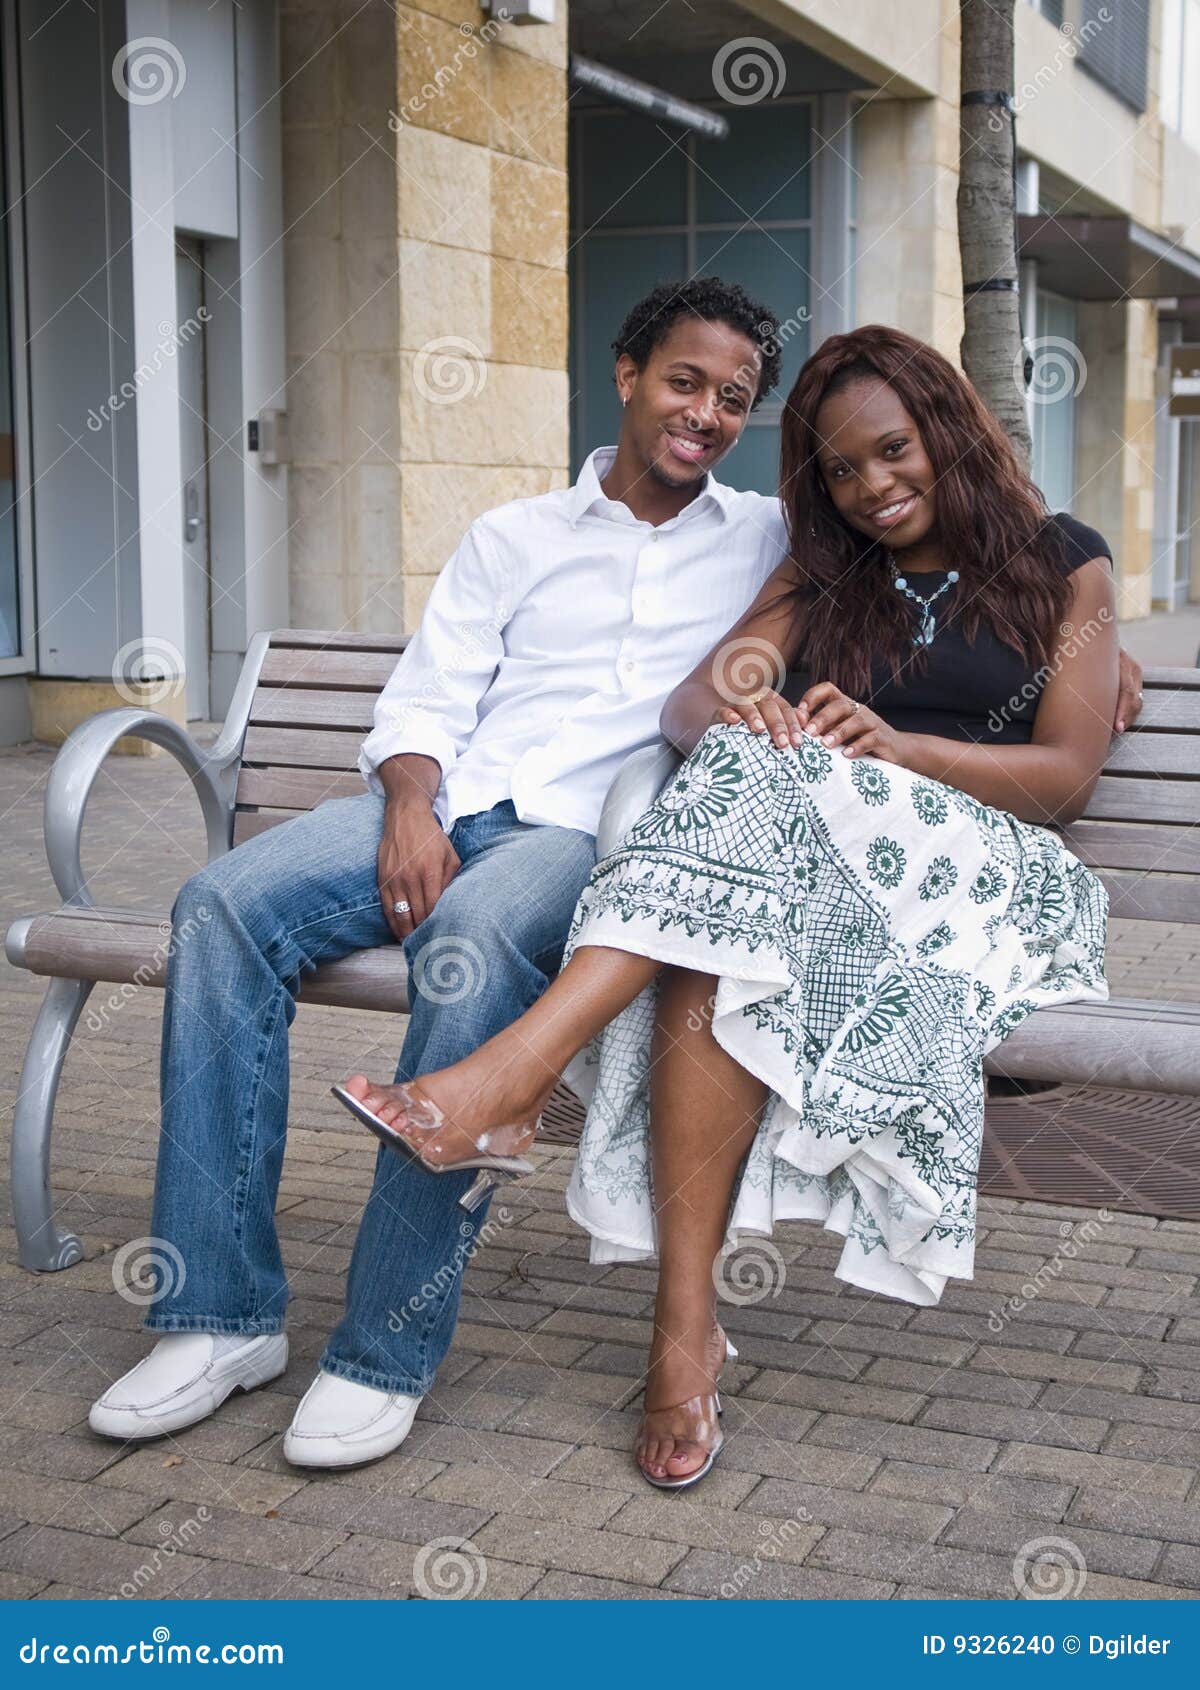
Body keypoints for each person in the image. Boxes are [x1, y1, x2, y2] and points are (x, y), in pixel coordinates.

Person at [337, 323, 1131, 1492]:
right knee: (714, 919)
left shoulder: (1062, 561)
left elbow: (1064, 776)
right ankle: (680, 1336)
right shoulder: (825, 571)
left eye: (894, 450)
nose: (872, 487)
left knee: (731, 879)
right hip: (814, 877)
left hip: (988, 879)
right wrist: (750, 705)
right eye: (841, 471)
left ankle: (512, 1082)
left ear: (948, 430)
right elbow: (691, 707)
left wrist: (900, 749)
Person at [86, 277, 792, 1468]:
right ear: (627, 374)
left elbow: (932, 527)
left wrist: (1082, 626)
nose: (707, 414)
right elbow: (426, 697)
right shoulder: (514, 535)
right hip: (445, 801)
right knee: (219, 906)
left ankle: (381, 1351)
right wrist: (411, 806)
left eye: (733, 398)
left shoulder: (768, 538)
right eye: (686, 381)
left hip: (579, 837)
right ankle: (219, 1316)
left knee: (466, 950)